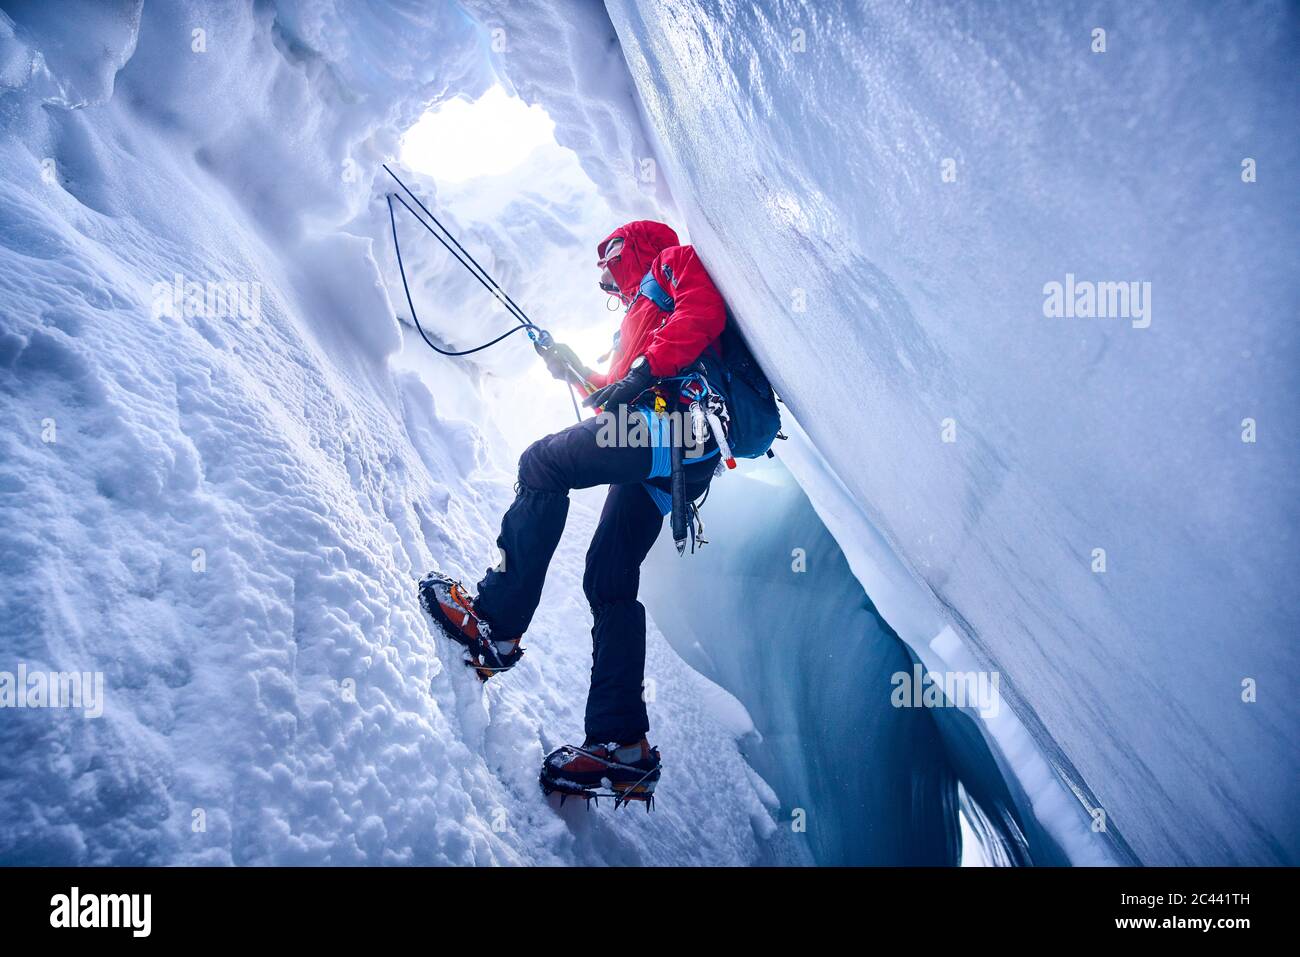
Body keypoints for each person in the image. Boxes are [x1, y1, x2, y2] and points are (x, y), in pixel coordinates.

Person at [419, 220, 728, 806]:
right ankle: (623, 749)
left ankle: (494, 627)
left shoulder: (673, 264)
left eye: (609, 258)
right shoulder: (641, 314)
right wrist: (573, 370)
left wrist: (636, 373)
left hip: (672, 427)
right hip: (678, 454)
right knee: (608, 578)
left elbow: (703, 311)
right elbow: (619, 389)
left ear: (633, 246)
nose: (604, 274)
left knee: (542, 465)